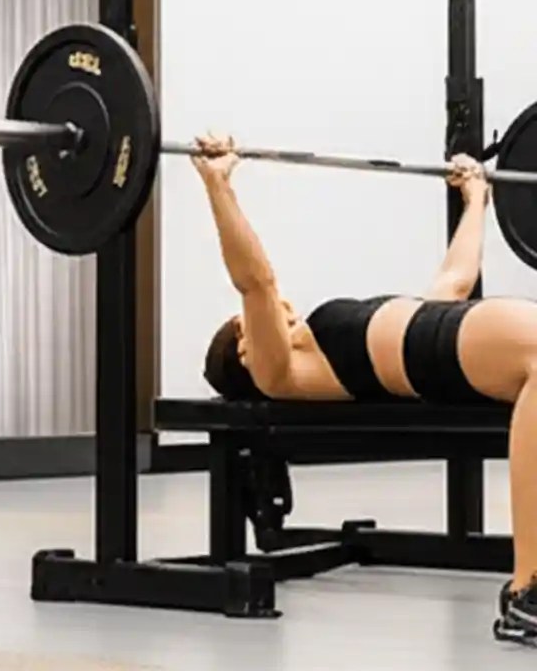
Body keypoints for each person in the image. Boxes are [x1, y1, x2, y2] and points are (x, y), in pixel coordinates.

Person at [191, 133, 534, 643]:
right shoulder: (275, 371)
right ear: (244, 352)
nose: (273, 312)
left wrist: (476, 197)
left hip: (443, 331)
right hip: (430, 354)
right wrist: (219, 187)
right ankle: (526, 591)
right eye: (243, 326)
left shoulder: (312, 335)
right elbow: (256, 282)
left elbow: (453, 283)